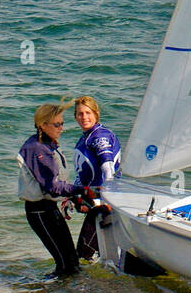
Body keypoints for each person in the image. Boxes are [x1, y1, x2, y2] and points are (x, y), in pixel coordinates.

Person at [17, 103, 87, 278]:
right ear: (42, 125)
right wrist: (82, 190)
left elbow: (58, 184)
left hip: (50, 209)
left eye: (62, 123)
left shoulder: (48, 145)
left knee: (72, 262)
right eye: (57, 124)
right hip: (39, 211)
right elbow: (52, 186)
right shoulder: (37, 149)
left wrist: (74, 197)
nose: (61, 128)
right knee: (66, 265)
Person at [72, 96, 121, 260]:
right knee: (100, 256)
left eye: (88, 112)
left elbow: (108, 169)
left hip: (103, 206)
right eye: (79, 113)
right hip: (94, 204)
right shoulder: (86, 137)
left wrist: (108, 203)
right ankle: (106, 283)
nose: (84, 117)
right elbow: (82, 174)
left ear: (96, 113)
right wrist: (73, 198)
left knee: (83, 256)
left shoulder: (100, 136)